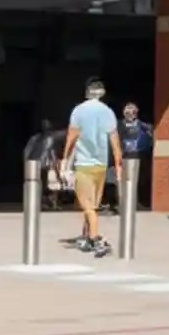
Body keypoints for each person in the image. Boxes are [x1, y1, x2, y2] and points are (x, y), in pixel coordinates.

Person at [60, 77, 121, 258]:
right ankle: (86, 236)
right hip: (101, 164)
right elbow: (114, 139)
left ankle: (96, 239)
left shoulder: (78, 111)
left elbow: (72, 136)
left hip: (84, 163)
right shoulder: (108, 111)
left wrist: (64, 160)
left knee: (87, 206)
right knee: (93, 203)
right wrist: (118, 164)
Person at [110, 102, 154, 213]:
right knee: (120, 181)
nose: (130, 114)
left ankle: (135, 203)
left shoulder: (143, 126)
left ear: (136, 113)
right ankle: (121, 204)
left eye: (132, 112)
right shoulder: (118, 125)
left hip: (137, 157)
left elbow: (150, 139)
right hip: (122, 156)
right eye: (127, 111)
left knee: (135, 181)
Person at [23, 119, 63, 209]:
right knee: (39, 183)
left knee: (41, 183)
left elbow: (27, 151)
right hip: (39, 163)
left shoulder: (44, 138)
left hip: (39, 164)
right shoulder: (40, 139)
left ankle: (42, 203)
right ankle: (40, 203)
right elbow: (27, 151)